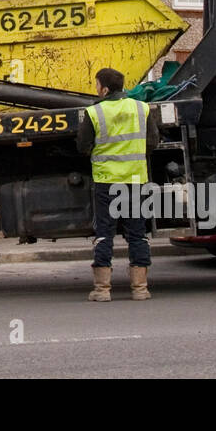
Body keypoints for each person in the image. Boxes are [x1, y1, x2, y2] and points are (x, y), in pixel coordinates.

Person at [82, 67, 159, 302]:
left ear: (104, 88)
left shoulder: (95, 112)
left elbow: (83, 146)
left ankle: (102, 290)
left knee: (105, 233)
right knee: (137, 233)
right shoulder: (141, 108)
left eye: (96, 85)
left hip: (106, 181)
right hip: (135, 178)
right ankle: (140, 289)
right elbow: (152, 142)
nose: (96, 89)